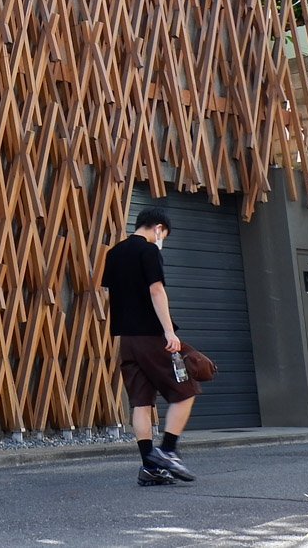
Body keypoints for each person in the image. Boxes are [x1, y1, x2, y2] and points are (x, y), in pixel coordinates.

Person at [101, 208, 197, 486]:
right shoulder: (149, 251)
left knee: (141, 402)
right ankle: (168, 451)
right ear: (158, 228)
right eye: (163, 234)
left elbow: (114, 294)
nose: (162, 239)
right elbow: (156, 290)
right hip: (151, 335)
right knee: (185, 390)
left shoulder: (114, 254)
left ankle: (149, 467)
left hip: (127, 339)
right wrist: (169, 331)